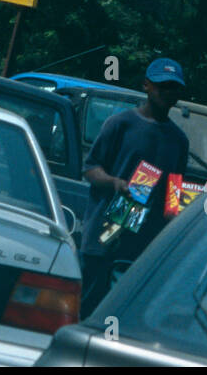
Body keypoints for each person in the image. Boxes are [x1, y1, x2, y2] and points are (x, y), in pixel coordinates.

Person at [79, 58, 190, 313]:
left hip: (142, 246)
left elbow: (174, 191)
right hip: (104, 234)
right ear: (147, 86)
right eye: (162, 85)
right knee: (86, 310)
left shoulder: (178, 140)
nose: (167, 92)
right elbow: (90, 169)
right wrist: (115, 183)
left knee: (123, 314)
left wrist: (179, 215)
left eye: (173, 87)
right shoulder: (120, 124)